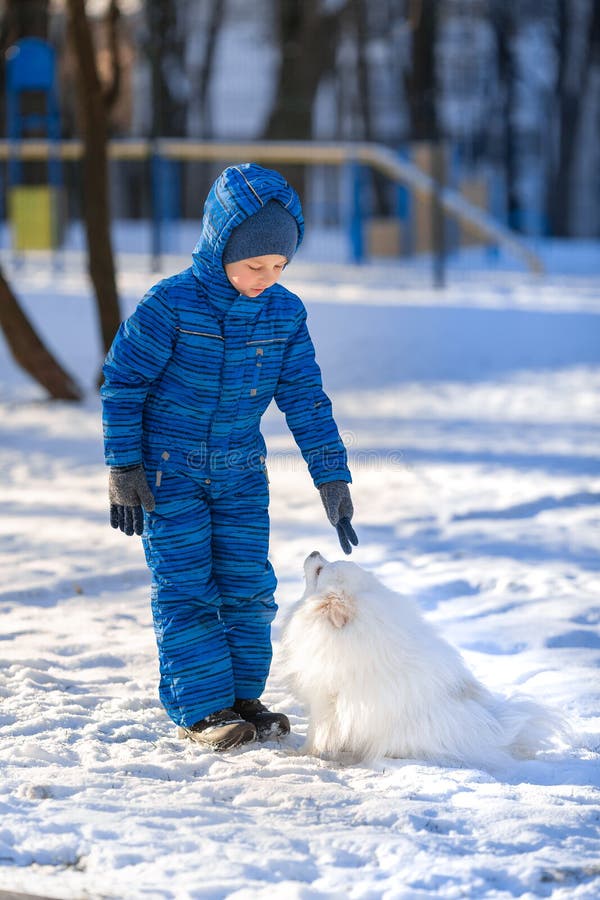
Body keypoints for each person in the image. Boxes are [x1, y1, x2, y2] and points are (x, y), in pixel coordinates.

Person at [101, 163, 358, 751]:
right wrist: (124, 467)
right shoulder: (169, 306)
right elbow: (122, 384)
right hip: (168, 473)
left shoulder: (285, 314)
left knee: (248, 585)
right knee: (187, 586)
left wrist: (332, 478)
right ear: (220, 248)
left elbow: (306, 400)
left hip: (241, 471)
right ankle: (202, 706)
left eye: (279, 266)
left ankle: (243, 697)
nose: (266, 277)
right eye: (254, 265)